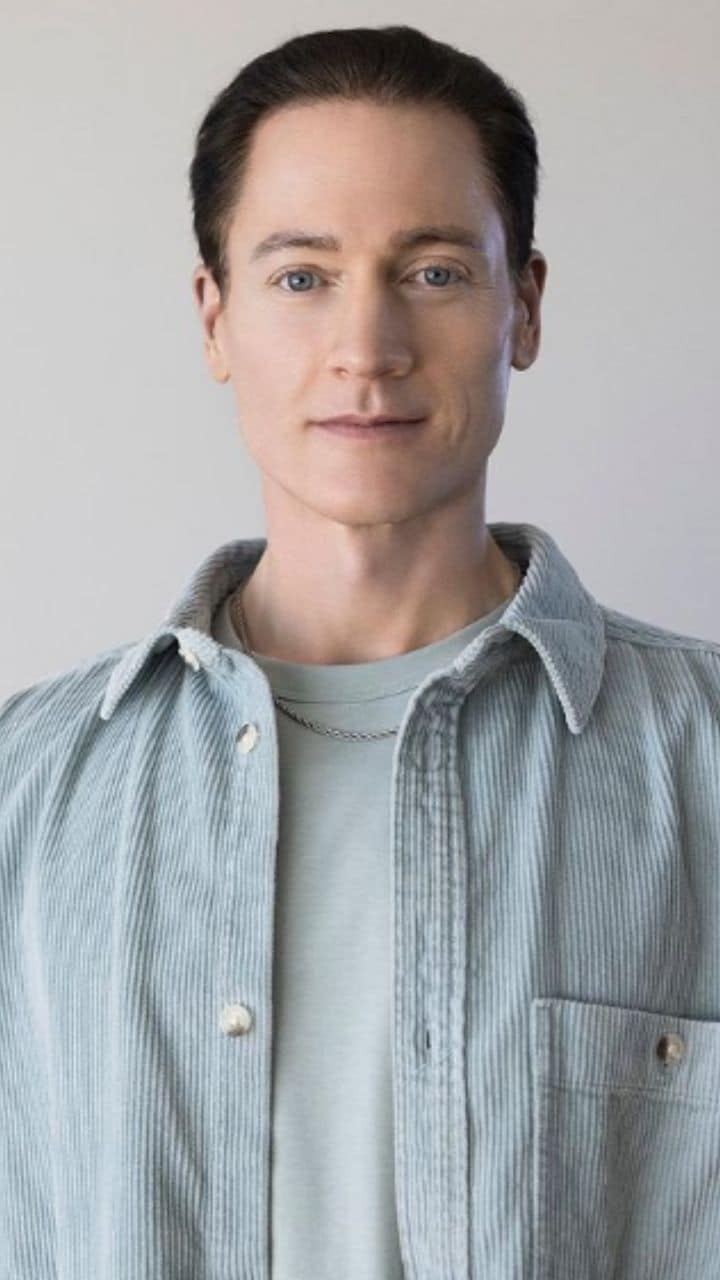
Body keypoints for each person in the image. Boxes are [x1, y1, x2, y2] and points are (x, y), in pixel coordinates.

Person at [1, 23, 719, 1280]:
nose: (368, 346)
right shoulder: (26, 788)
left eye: (434, 271)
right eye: (301, 277)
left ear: (524, 306)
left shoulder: (702, 758)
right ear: (214, 317)